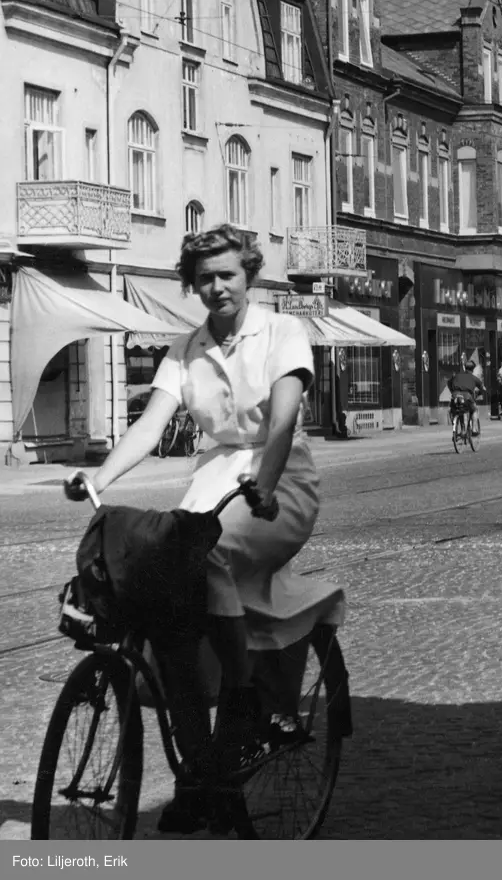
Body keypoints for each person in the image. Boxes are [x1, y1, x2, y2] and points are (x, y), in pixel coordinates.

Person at [67, 225, 343, 834]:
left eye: (227, 275)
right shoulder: (186, 348)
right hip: (211, 485)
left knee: (204, 561)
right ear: (191, 285)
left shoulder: (282, 330)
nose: (217, 287)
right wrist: (101, 476)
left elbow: (284, 418)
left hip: (280, 482)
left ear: (248, 274)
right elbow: (148, 425)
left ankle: (242, 705)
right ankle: (203, 770)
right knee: (165, 605)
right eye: (205, 278)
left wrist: (267, 483)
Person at [448, 358, 485, 436]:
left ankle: (459, 429)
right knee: (474, 410)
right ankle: (474, 429)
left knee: (457, 410)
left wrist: (452, 391)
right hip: (467, 397)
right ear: (473, 369)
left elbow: (449, 383)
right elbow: (483, 388)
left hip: (455, 396)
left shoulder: (457, 375)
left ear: (465, 367)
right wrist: (481, 393)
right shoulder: (474, 378)